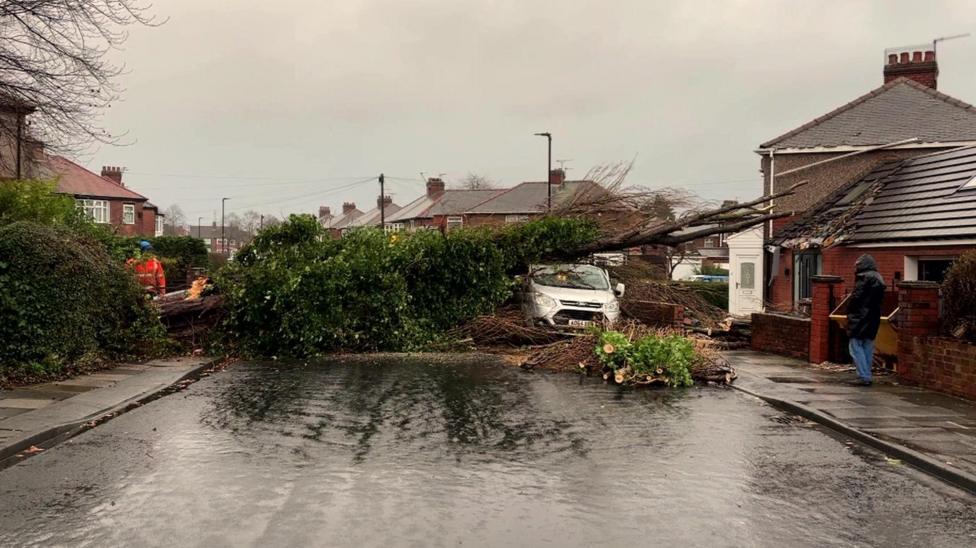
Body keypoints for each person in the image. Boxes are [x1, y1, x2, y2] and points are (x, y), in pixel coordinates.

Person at [846, 254, 886, 386]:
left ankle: (863, 376)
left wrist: (849, 309)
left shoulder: (864, 277)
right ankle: (867, 374)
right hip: (873, 316)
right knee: (868, 346)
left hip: (860, 317)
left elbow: (857, 297)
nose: (855, 267)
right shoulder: (878, 277)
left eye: (857, 265)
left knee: (855, 346)